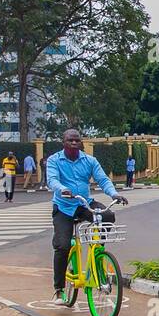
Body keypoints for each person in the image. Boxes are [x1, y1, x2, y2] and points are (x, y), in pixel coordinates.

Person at [47, 129, 129, 302]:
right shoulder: (54, 160)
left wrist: (114, 194)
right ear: (64, 142)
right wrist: (62, 189)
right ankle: (59, 289)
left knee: (107, 215)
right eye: (70, 140)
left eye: (77, 140)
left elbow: (103, 179)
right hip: (64, 207)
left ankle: (97, 250)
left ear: (81, 143)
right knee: (62, 246)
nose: (74, 143)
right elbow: (52, 179)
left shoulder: (89, 160)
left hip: (84, 203)